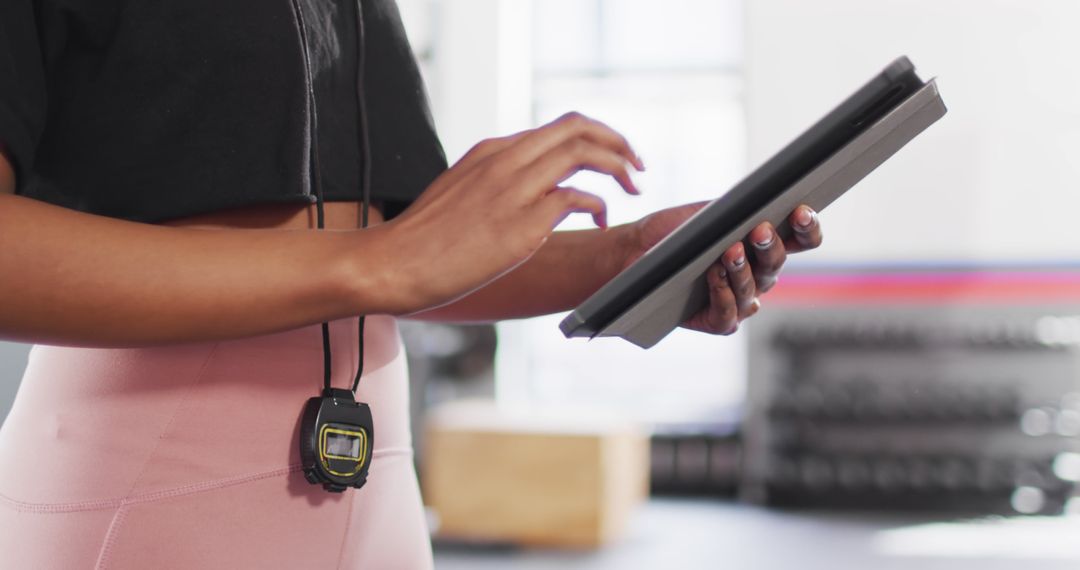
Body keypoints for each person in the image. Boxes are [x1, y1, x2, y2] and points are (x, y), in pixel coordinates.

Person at [0, 0, 822, 568]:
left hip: (376, 492)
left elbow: (403, 261)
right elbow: (379, 263)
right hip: (152, 493)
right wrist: (380, 262)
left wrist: (626, 258)